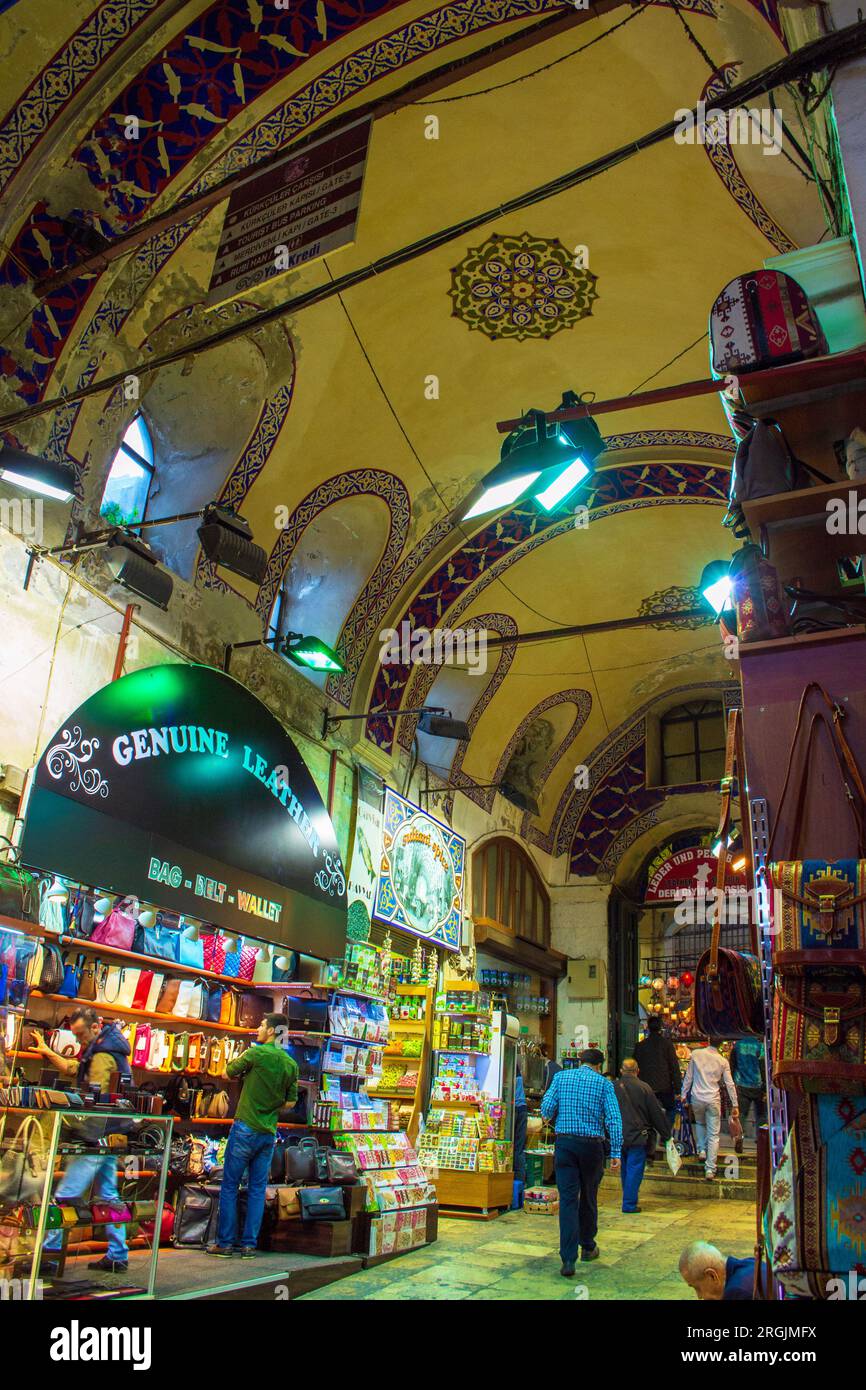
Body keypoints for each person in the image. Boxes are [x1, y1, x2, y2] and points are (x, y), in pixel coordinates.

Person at [29, 1007, 132, 1274]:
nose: (78, 1041)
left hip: (95, 1137)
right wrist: (48, 1051)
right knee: (109, 1197)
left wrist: (79, 1131)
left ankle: (49, 1257)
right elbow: (77, 1069)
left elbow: (94, 1098)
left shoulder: (102, 1055)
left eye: (80, 1035)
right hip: (110, 1134)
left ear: (96, 1026)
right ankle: (119, 1253)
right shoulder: (104, 1047)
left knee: (64, 1196)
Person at [208, 1013, 299, 1258]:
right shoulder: (290, 1064)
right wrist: (270, 1106)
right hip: (268, 1132)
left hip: (245, 1127)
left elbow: (227, 1073)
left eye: (261, 1025)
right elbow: (290, 1102)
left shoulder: (255, 1054)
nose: (258, 1028)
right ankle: (249, 1244)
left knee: (230, 1185)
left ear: (271, 1031)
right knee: (258, 1188)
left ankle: (225, 1243)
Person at [540, 1047, 622, 1277]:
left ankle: (567, 1259)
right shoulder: (604, 1084)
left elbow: (546, 1108)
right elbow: (614, 1119)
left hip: (565, 1145)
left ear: (579, 1061)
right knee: (588, 1195)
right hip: (591, 1146)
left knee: (567, 1200)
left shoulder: (561, 1077)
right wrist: (615, 1152)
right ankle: (587, 1245)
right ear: (599, 1066)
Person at [614, 1059, 671, 1213]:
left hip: (618, 1134)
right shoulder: (644, 1088)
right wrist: (666, 1135)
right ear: (637, 1071)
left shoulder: (613, 1087)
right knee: (634, 1168)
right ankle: (629, 1204)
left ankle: (628, 1198)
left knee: (625, 1168)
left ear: (621, 1070)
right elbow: (656, 1114)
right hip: (637, 1135)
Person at [681, 1039, 739, 1180]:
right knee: (714, 1135)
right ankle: (710, 1169)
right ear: (720, 1044)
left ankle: (701, 1149)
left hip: (697, 1097)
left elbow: (689, 1076)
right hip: (713, 1098)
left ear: (707, 1040)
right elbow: (729, 1083)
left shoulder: (695, 1054)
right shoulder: (722, 1061)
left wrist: (683, 1094)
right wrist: (735, 1103)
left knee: (700, 1123)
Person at [633, 1016, 681, 1130]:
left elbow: (634, 1066)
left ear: (648, 1028)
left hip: (644, 1086)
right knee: (671, 1110)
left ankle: (646, 1132)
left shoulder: (640, 1046)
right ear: (660, 1028)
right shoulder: (667, 1044)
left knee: (642, 1111)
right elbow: (674, 1067)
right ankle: (665, 1135)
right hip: (664, 1086)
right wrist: (678, 1089)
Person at [678, 1240, 755, 1300]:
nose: (699, 1296)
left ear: (712, 1276)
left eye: (697, 1288)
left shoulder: (736, 1294)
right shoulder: (751, 1262)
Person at [729, 1038, 767, 1153]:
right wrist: (765, 1085)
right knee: (760, 1115)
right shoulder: (760, 1046)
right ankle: (762, 1141)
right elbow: (763, 1066)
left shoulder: (737, 1045)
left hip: (741, 1084)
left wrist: (733, 1081)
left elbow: (732, 1065)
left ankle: (739, 1138)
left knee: (741, 1115)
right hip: (758, 1084)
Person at [513, 1062, 528, 1186]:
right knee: (519, 1149)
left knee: (516, 1149)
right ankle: (519, 1184)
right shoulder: (517, 1071)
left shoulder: (508, 1068)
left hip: (514, 1109)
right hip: (522, 1108)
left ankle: (515, 1184)